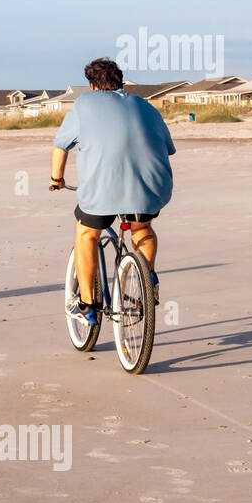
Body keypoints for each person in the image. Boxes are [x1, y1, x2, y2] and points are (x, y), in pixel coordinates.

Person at [49, 59, 175, 326]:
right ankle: (148, 275)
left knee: (87, 233)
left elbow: (61, 146)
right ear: (121, 82)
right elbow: (167, 147)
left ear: (92, 85)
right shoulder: (146, 106)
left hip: (102, 192)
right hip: (152, 188)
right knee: (142, 230)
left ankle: (86, 305)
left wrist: (56, 179)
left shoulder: (84, 104)